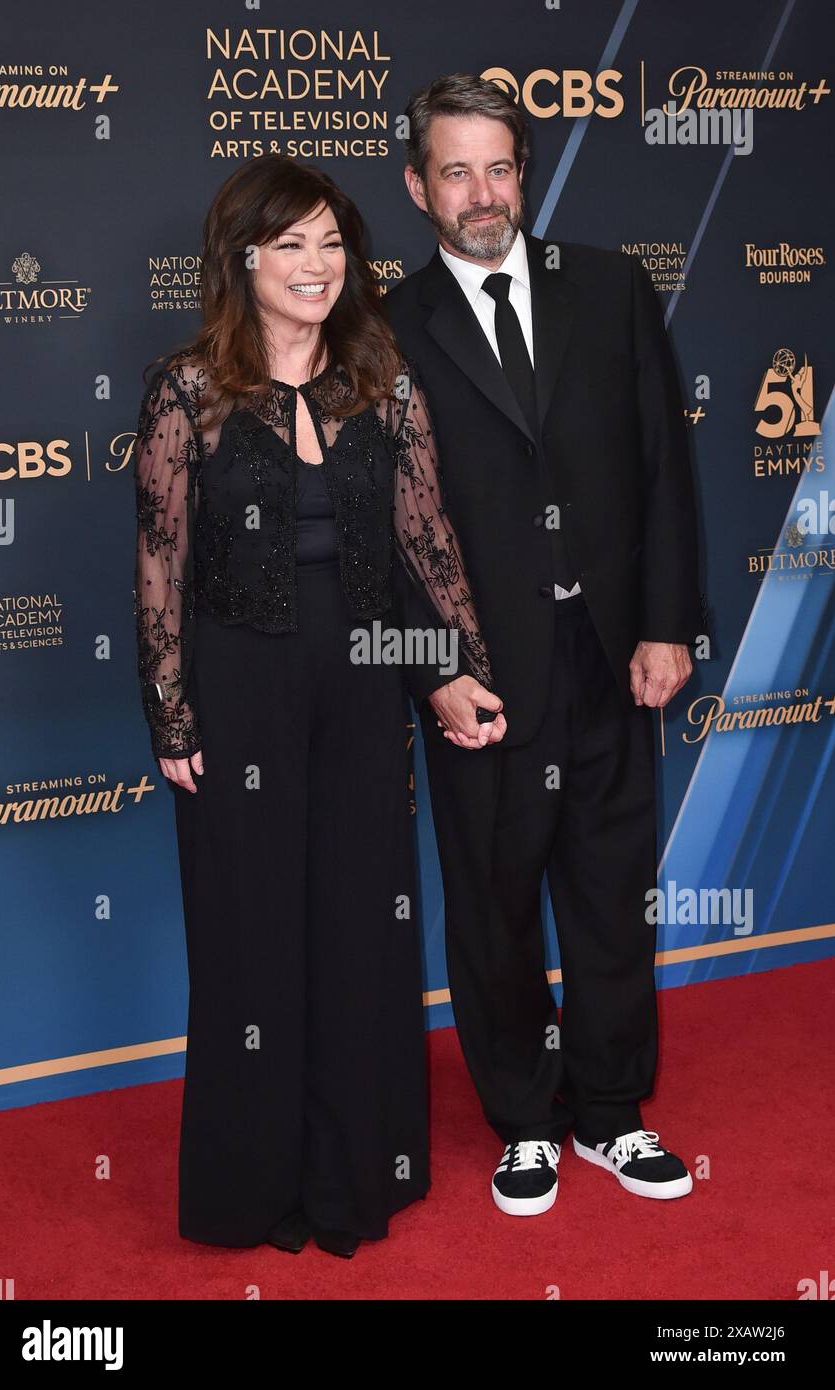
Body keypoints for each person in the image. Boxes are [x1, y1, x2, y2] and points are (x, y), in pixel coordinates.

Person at [132, 153, 505, 1256]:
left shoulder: (378, 381)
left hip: (361, 678)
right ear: (241, 260)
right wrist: (170, 713)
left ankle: (357, 1170)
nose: (314, 264)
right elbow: (159, 563)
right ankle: (253, 1189)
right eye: (288, 243)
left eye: (331, 242)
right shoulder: (187, 391)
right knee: (252, 933)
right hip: (237, 682)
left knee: (361, 922)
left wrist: (457, 664)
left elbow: (425, 543)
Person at [383, 74, 704, 1215]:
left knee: (612, 887)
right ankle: (524, 1116)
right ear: (418, 187)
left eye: (500, 166)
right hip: (481, 671)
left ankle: (612, 1112)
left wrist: (668, 621)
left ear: (525, 172)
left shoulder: (608, 287)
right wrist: (434, 665)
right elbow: (385, 524)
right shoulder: (384, 330)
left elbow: (663, 469)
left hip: (609, 651)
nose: (483, 192)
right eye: (456, 171)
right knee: (490, 894)